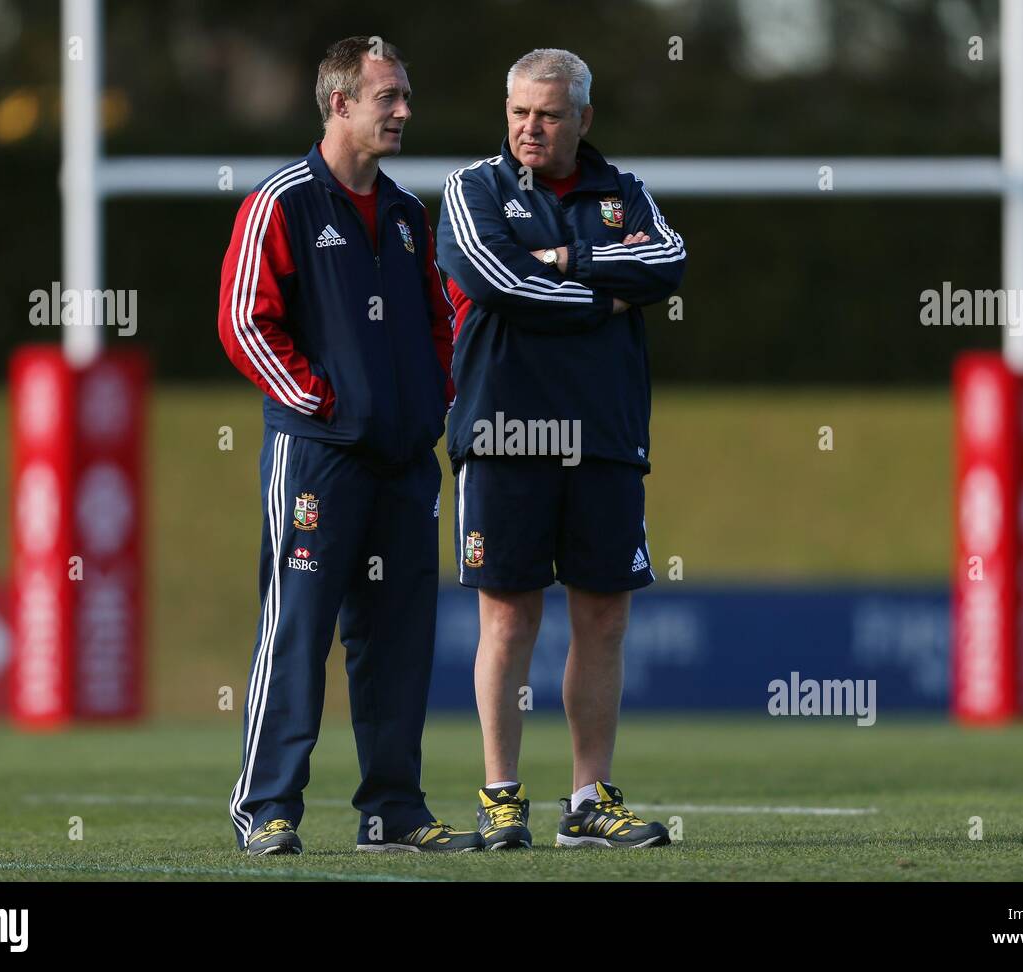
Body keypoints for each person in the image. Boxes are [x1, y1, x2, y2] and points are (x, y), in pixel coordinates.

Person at [218, 36, 481, 855]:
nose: (404, 110)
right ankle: (266, 809)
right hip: (318, 458)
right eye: (388, 97)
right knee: (298, 628)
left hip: (403, 463)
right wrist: (320, 402)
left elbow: (444, 322)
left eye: (404, 95)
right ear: (339, 104)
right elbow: (242, 321)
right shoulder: (282, 202)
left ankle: (392, 811)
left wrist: (429, 405)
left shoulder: (407, 213)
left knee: (400, 639)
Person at [437, 48, 687, 849]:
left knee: (604, 615)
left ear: (584, 117)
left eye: (547, 114)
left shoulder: (625, 191)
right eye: (517, 111)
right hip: (505, 430)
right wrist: (606, 298)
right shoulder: (473, 188)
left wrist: (572, 260)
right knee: (508, 618)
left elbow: (669, 261)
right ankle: (501, 795)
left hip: (606, 433)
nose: (529, 128)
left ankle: (588, 800)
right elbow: (497, 282)